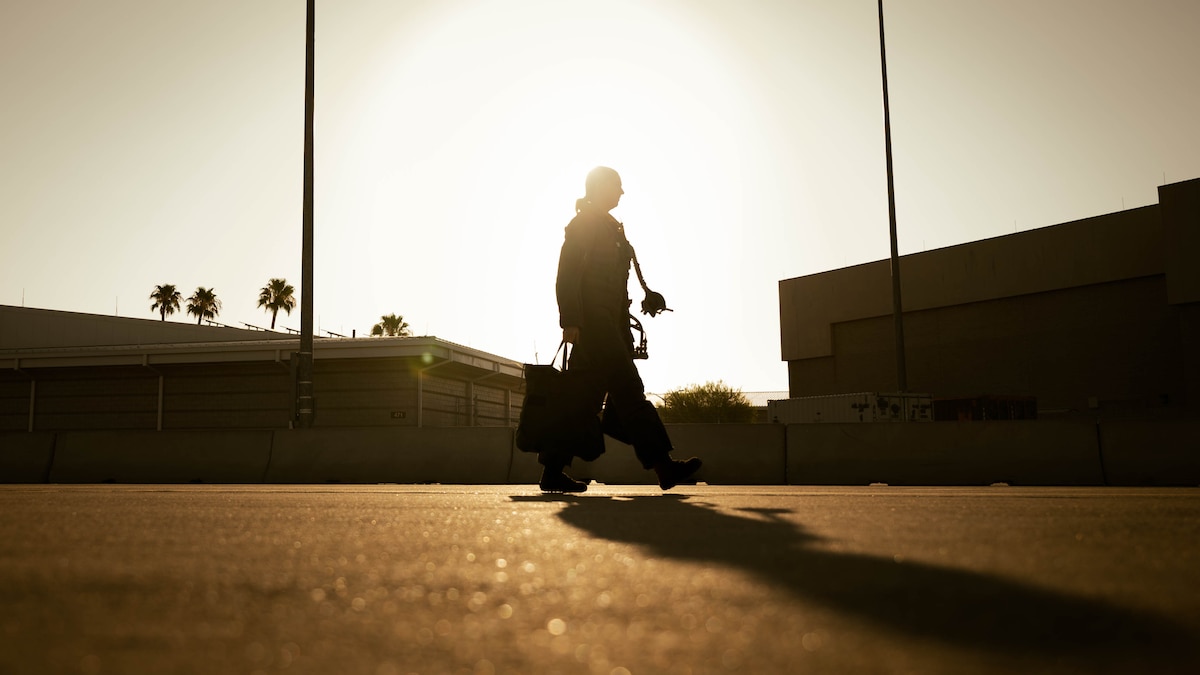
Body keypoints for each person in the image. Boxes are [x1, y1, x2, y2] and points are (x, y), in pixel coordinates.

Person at [538, 166, 702, 493]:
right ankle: (664, 467)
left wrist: (644, 298)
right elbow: (567, 274)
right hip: (594, 324)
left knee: (583, 402)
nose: (622, 192)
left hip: (611, 324)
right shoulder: (584, 224)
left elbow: (615, 282)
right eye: (617, 186)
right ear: (601, 188)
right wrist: (570, 320)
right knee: (629, 390)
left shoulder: (611, 228)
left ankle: (552, 472)